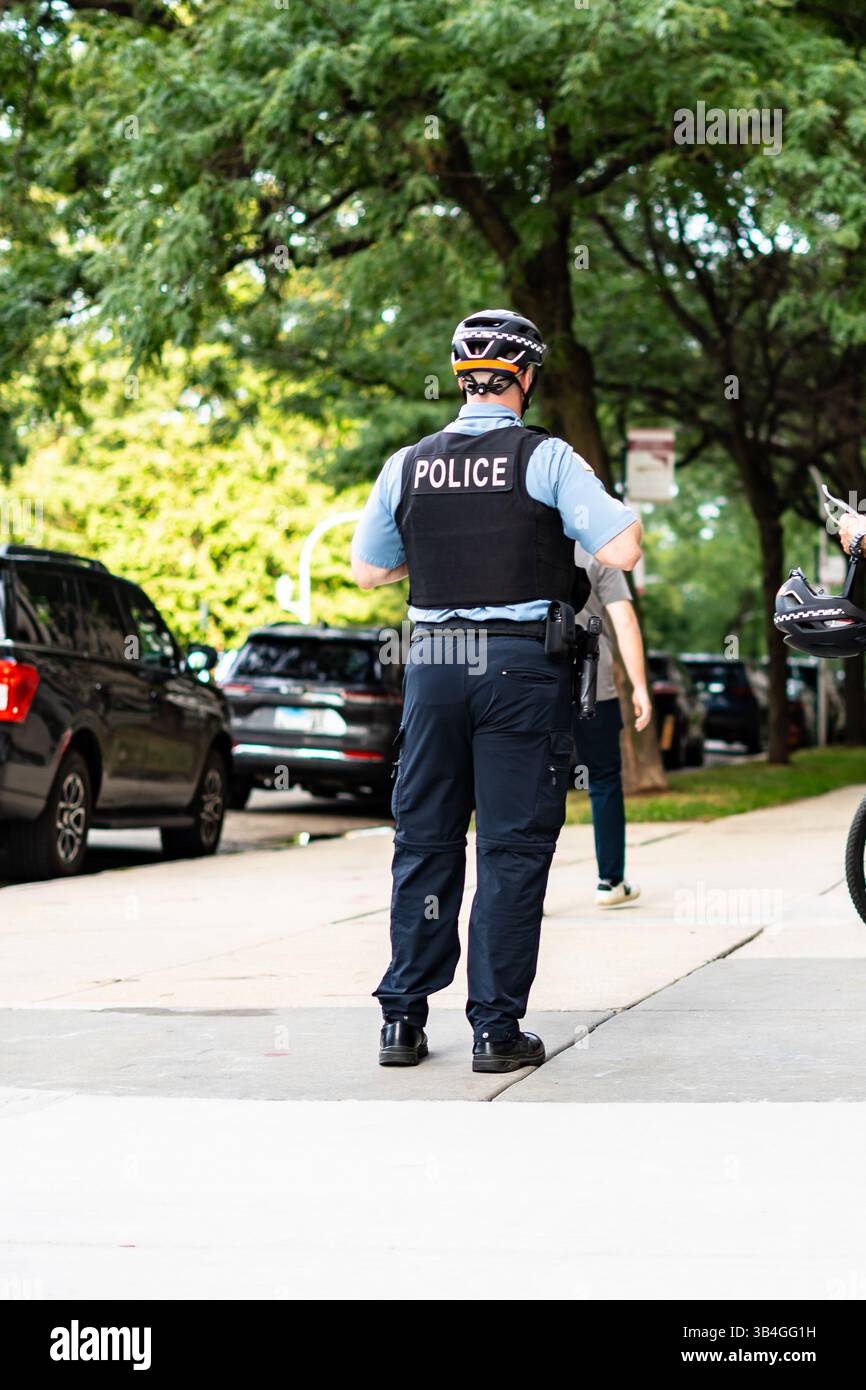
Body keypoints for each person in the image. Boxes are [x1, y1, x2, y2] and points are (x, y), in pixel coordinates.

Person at [351, 309, 641, 1073]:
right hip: (518, 669)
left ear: (461, 378)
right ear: (527, 378)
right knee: (511, 850)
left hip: (433, 667)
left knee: (424, 841)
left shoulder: (407, 463)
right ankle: (495, 1031)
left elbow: (371, 571)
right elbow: (620, 546)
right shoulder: (547, 458)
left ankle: (402, 1022)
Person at [573, 543, 652, 907]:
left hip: (531, 682)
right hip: (593, 683)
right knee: (603, 779)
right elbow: (624, 619)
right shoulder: (598, 552)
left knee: (534, 781)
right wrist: (639, 686)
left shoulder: (521, 539)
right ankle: (610, 881)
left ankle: (526, 887)